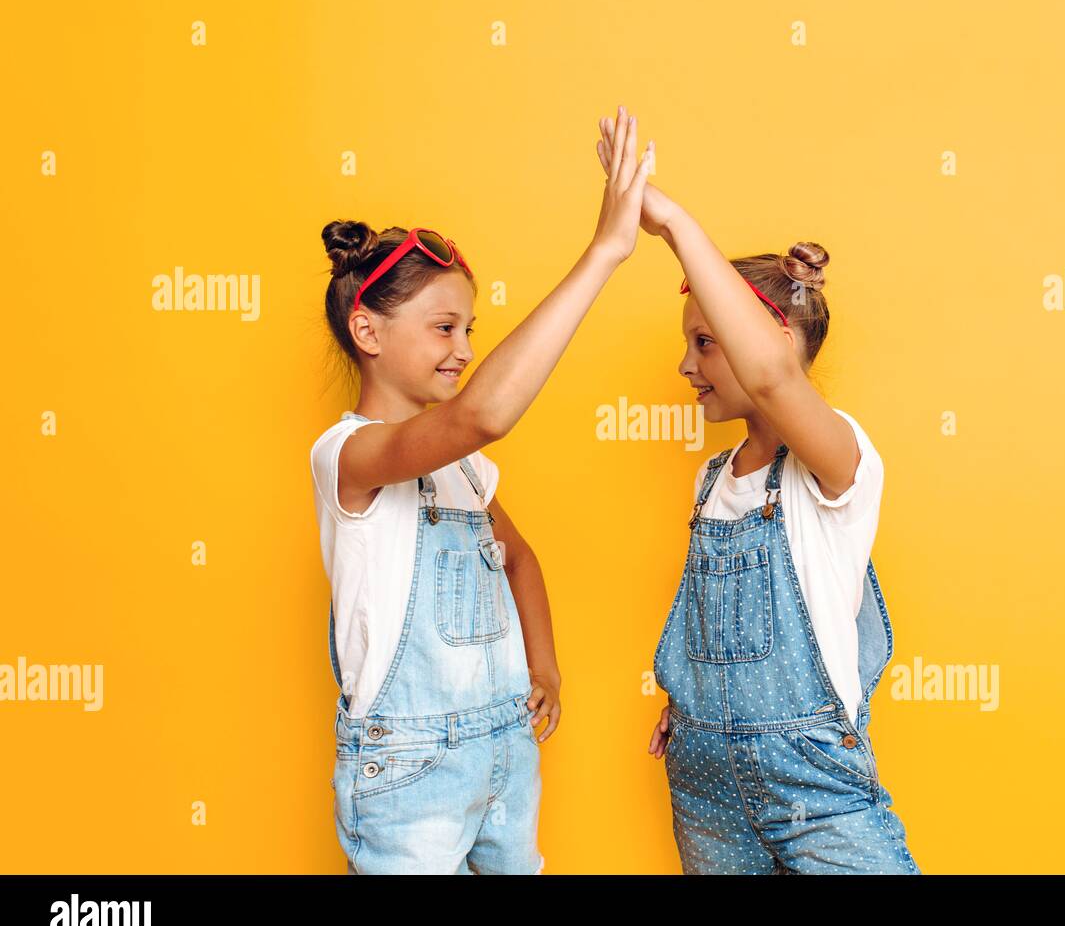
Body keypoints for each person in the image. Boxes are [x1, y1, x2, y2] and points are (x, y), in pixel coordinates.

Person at [310, 107, 653, 873]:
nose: (465, 350)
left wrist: (545, 667)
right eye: (444, 329)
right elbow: (483, 415)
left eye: (470, 330)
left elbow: (519, 557)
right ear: (368, 332)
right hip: (410, 768)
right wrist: (604, 252)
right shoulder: (348, 458)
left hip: (503, 751)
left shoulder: (464, 473)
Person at [594, 119, 921, 874]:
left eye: (705, 342)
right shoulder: (712, 478)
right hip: (703, 776)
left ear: (763, 341)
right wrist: (694, 702)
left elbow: (775, 379)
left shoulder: (839, 466)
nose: (684, 364)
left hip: (810, 775)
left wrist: (671, 223)